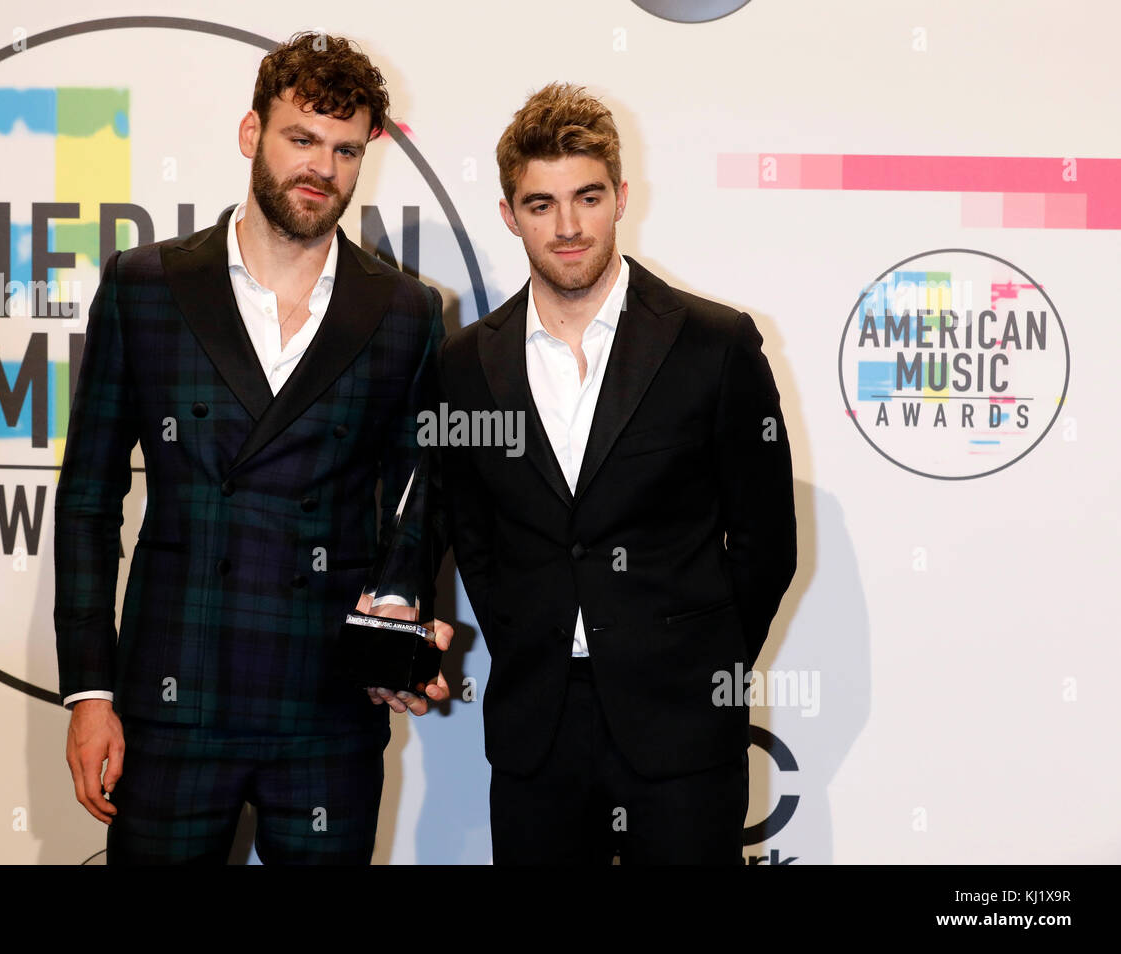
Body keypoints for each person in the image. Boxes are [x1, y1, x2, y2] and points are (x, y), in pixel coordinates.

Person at [54, 31, 451, 865]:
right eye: (301, 139)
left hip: (328, 706)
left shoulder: (406, 311)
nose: (322, 168)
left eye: (345, 150)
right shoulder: (146, 285)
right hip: (172, 695)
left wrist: (400, 610)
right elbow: (89, 498)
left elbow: (420, 498)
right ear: (250, 134)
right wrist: (91, 691)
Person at [435, 83, 798, 864]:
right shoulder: (467, 364)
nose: (567, 227)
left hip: (683, 730)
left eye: (587, 197)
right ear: (508, 213)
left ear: (621, 197)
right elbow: (474, 533)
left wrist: (705, 661)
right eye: (540, 205)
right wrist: (527, 636)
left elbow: (768, 541)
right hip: (538, 731)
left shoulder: (713, 344)